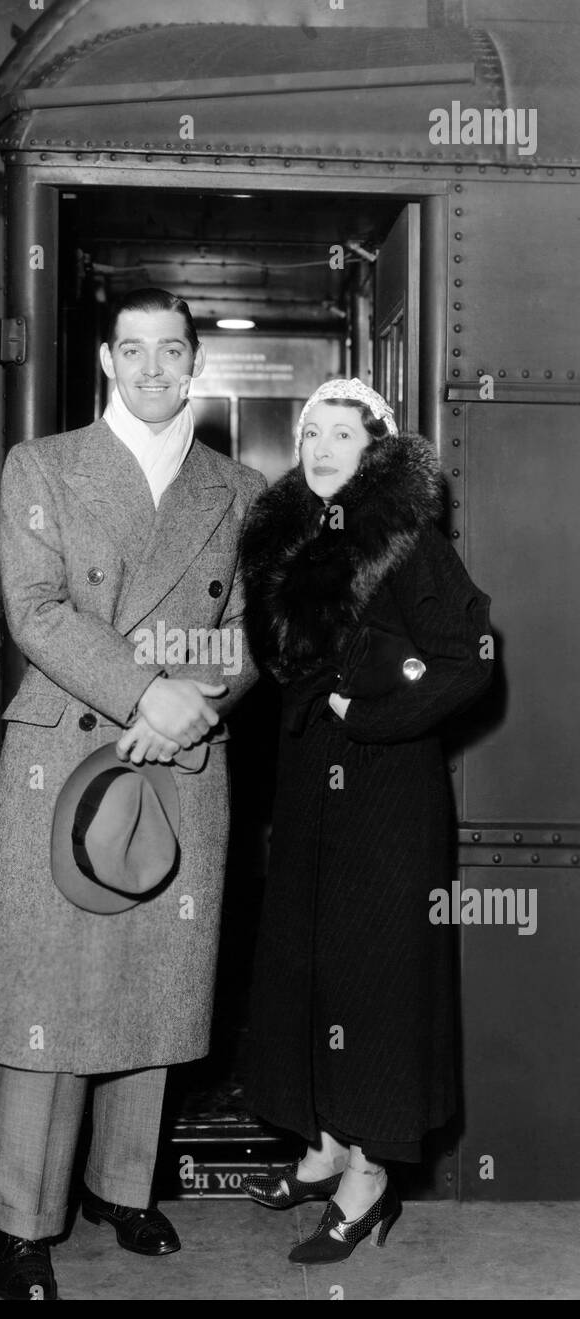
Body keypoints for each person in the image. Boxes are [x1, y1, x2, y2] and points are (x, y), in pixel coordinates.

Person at [0, 287, 266, 1299]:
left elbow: (257, 638)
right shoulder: (41, 466)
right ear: (105, 358)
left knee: (153, 980)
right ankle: (22, 1221)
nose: (150, 371)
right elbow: (36, 613)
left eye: (170, 352)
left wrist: (193, 705)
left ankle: (122, 1187)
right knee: (46, 989)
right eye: (131, 351)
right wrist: (145, 689)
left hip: (181, 754)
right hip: (67, 751)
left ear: (194, 365)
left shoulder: (240, 490)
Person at [239, 378, 493, 1264]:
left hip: (388, 799)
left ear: (376, 449)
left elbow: (469, 660)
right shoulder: (299, 540)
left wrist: (364, 712)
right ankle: (330, 1141)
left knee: (375, 983)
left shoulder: (410, 543)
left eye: (341, 435)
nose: (319, 448)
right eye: (310, 432)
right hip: (312, 791)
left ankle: (370, 1177)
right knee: (313, 970)